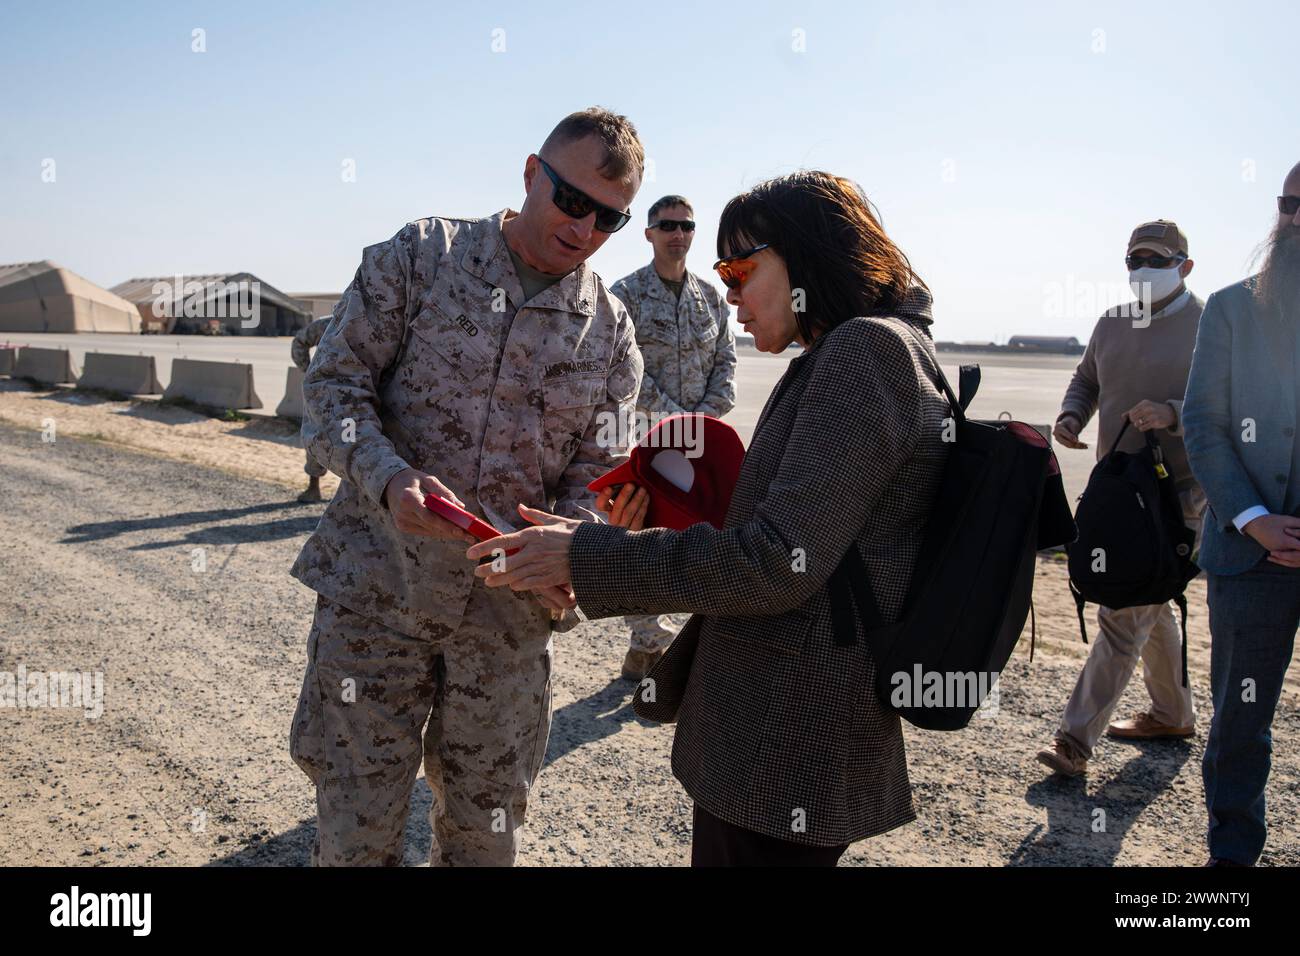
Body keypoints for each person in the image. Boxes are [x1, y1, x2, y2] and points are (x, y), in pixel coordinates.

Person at [466, 171, 951, 866]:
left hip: (787, 737)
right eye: (721, 272)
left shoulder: (863, 353)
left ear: (807, 257)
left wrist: (586, 557)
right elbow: (807, 537)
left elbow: (774, 563)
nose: (728, 293)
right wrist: (645, 526)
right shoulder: (861, 350)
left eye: (740, 270)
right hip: (786, 730)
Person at [287, 107, 646, 866]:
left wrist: (575, 545)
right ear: (531, 174)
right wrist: (388, 479)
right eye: (572, 200)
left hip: (505, 629)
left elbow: (600, 475)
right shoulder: (422, 258)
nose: (585, 228)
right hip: (379, 598)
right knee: (356, 835)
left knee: (486, 838)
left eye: (610, 218)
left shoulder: (611, 333)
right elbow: (332, 388)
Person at [1038, 220, 1206, 777]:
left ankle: (1074, 741)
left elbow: (1228, 406)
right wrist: (1071, 415)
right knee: (1151, 597)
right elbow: (1086, 380)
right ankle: (1172, 714)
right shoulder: (1112, 322)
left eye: (1157, 260)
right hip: (1116, 490)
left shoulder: (1210, 326)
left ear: (1185, 266)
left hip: (1178, 495)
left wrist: (1173, 413)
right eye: (1135, 260)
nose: (1143, 269)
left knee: (1124, 608)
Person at [1182, 160, 1300, 866]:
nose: (1298, 219)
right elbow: (1204, 424)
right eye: (1291, 203)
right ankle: (1230, 862)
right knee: (1240, 722)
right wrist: (1253, 518)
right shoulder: (1231, 309)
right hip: (1248, 557)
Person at [609, 194, 737, 680]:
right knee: (642, 537)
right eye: (667, 226)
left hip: (702, 444)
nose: (677, 234)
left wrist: (702, 420)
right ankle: (647, 643)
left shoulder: (712, 298)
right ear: (648, 234)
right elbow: (621, 367)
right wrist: (675, 421)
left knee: (702, 535)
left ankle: (690, 645)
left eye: (686, 226)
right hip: (646, 441)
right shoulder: (626, 295)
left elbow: (726, 363)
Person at [290, 315, 332, 503]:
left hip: (324, 391)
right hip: (328, 391)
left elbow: (299, 342)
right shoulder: (334, 322)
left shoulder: (330, 322)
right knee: (317, 437)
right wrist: (309, 372)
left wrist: (309, 373)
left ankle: (314, 488)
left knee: (316, 437)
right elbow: (300, 342)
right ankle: (314, 488)